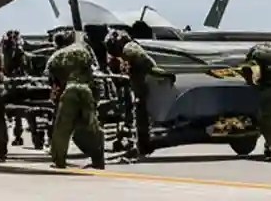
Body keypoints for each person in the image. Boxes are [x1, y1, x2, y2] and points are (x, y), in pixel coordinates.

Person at [106, 28, 175, 155]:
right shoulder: (129, 50)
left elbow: (148, 67)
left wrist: (166, 74)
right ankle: (141, 145)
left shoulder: (130, 50)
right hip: (136, 88)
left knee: (140, 118)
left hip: (138, 88)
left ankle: (142, 146)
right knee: (139, 118)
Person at [45, 29, 105, 169]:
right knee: (92, 127)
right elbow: (94, 72)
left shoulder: (56, 56)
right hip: (86, 91)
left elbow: (53, 80)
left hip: (70, 92)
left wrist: (56, 96)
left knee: (62, 128)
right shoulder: (83, 49)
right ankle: (98, 160)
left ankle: (59, 161)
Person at [0, 30, 28, 146]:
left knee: (11, 113)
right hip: (17, 84)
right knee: (19, 113)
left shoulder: (4, 50)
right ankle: (17, 135)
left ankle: (13, 136)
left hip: (10, 84)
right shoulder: (19, 52)